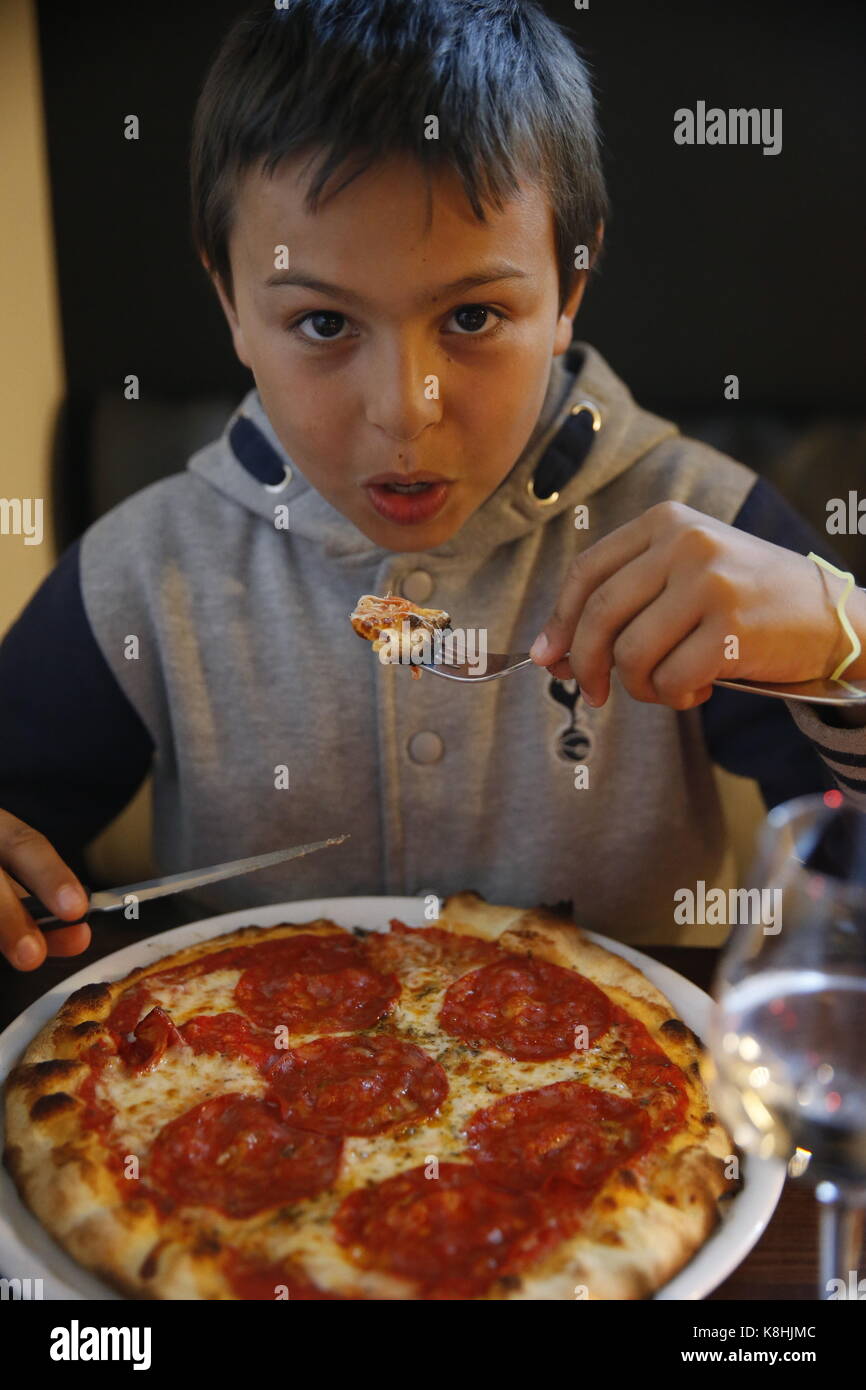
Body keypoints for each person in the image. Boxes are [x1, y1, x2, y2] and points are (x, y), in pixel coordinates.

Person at [2, 0, 865, 973]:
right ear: (230, 303)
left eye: (471, 315)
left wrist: (844, 638)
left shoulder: (701, 527)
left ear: (568, 288)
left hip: (625, 1095)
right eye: (324, 324)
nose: (403, 412)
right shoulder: (147, 572)